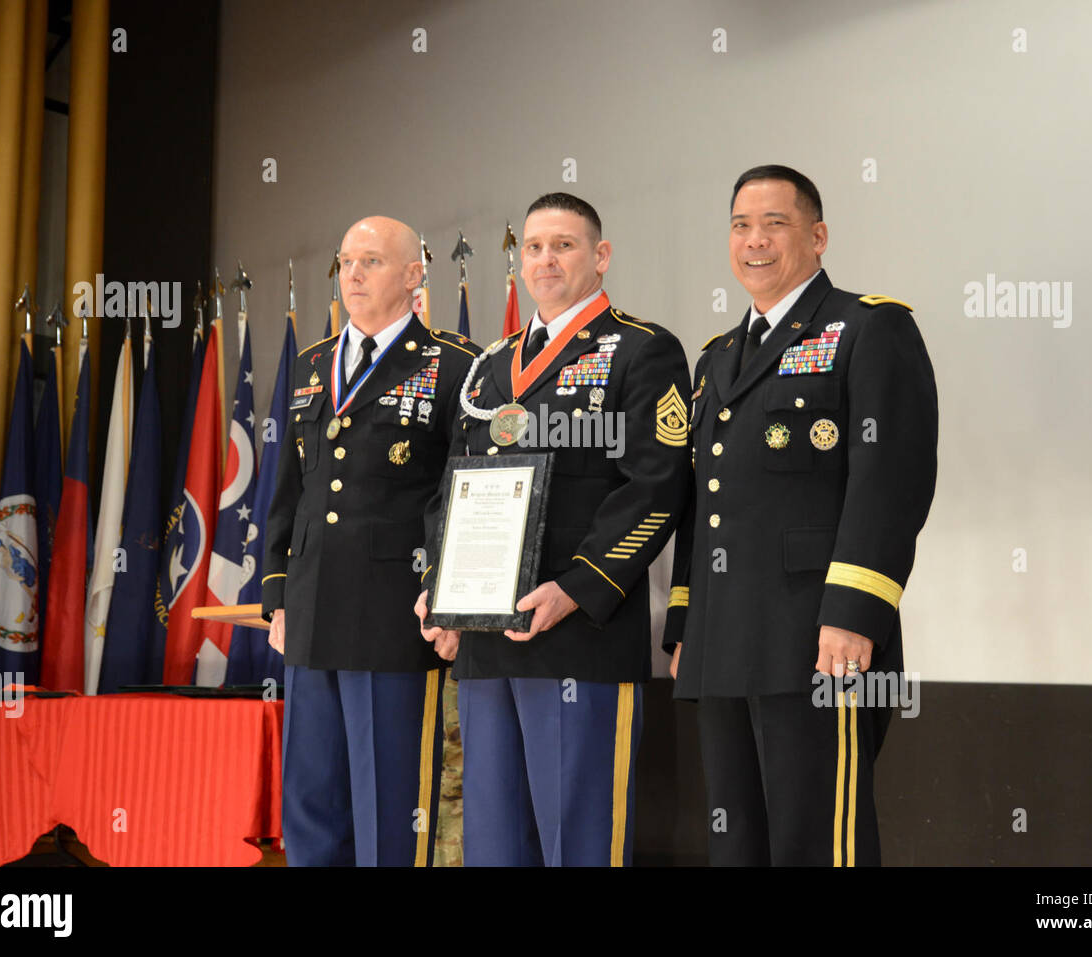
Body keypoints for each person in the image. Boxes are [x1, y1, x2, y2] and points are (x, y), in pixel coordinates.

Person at [663, 166, 938, 866]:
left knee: (818, 841)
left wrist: (852, 611)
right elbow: (705, 504)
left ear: (816, 237)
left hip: (816, 638)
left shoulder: (870, 328)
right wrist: (687, 624)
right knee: (738, 844)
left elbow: (891, 482)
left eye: (774, 224)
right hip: (725, 641)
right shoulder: (715, 358)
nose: (754, 240)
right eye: (740, 225)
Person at [415, 193, 691, 866]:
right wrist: (439, 587)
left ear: (599, 257)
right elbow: (450, 486)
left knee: (580, 841)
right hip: (485, 646)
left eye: (564, 245)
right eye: (534, 246)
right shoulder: (488, 366)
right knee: (493, 843)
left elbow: (655, 488)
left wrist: (574, 588)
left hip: (580, 640)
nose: (546, 259)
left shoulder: (642, 350)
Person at [260, 215, 479, 866]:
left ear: (414, 276)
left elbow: (458, 496)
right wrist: (277, 595)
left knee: (389, 814)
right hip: (308, 614)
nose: (353, 274)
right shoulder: (311, 365)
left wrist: (449, 596)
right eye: (346, 262)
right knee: (309, 807)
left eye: (372, 261)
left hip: (394, 621)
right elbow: (289, 494)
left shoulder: (454, 367)